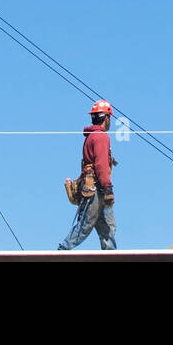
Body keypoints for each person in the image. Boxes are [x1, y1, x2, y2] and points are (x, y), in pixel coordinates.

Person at [58, 100, 117, 251]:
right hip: (97, 188)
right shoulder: (101, 137)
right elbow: (101, 165)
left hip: (95, 187)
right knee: (85, 225)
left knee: (107, 227)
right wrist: (108, 188)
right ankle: (62, 251)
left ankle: (111, 256)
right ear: (106, 118)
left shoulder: (91, 136)